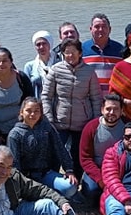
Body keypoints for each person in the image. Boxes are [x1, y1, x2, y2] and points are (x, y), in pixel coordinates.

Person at [41, 38, 102, 180]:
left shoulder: (89, 72)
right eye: (66, 53)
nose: (70, 56)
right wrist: (49, 119)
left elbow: (96, 99)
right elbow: (46, 97)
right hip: (58, 122)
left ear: (80, 53)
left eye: (73, 52)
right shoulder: (56, 70)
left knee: (78, 156)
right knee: (54, 154)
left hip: (82, 123)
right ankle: (53, 183)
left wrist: (95, 123)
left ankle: (79, 186)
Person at [7, 98, 78, 198]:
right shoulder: (15, 134)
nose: (32, 114)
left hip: (46, 174)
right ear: (21, 112)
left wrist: (69, 169)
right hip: (26, 178)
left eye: (36, 111)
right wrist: (21, 183)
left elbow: (60, 148)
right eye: (28, 111)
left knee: (70, 187)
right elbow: (15, 165)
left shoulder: (47, 127)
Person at [79, 94, 127, 207]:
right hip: (98, 169)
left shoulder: (128, 126)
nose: (111, 112)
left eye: (116, 109)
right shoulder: (91, 127)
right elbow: (85, 158)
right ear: (102, 110)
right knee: (91, 191)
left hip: (121, 169)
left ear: (121, 111)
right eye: (108, 109)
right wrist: (100, 179)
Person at [82, 14, 124, 96]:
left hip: (113, 100)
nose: (100, 29)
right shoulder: (82, 49)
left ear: (110, 29)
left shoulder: (120, 50)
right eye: (97, 27)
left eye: (104, 26)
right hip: (89, 100)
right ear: (91, 29)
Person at [22, 30, 53, 99]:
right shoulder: (29, 66)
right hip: (38, 104)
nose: (41, 47)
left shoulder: (58, 62)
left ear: (50, 44)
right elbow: (27, 89)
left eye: (44, 43)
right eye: (38, 44)